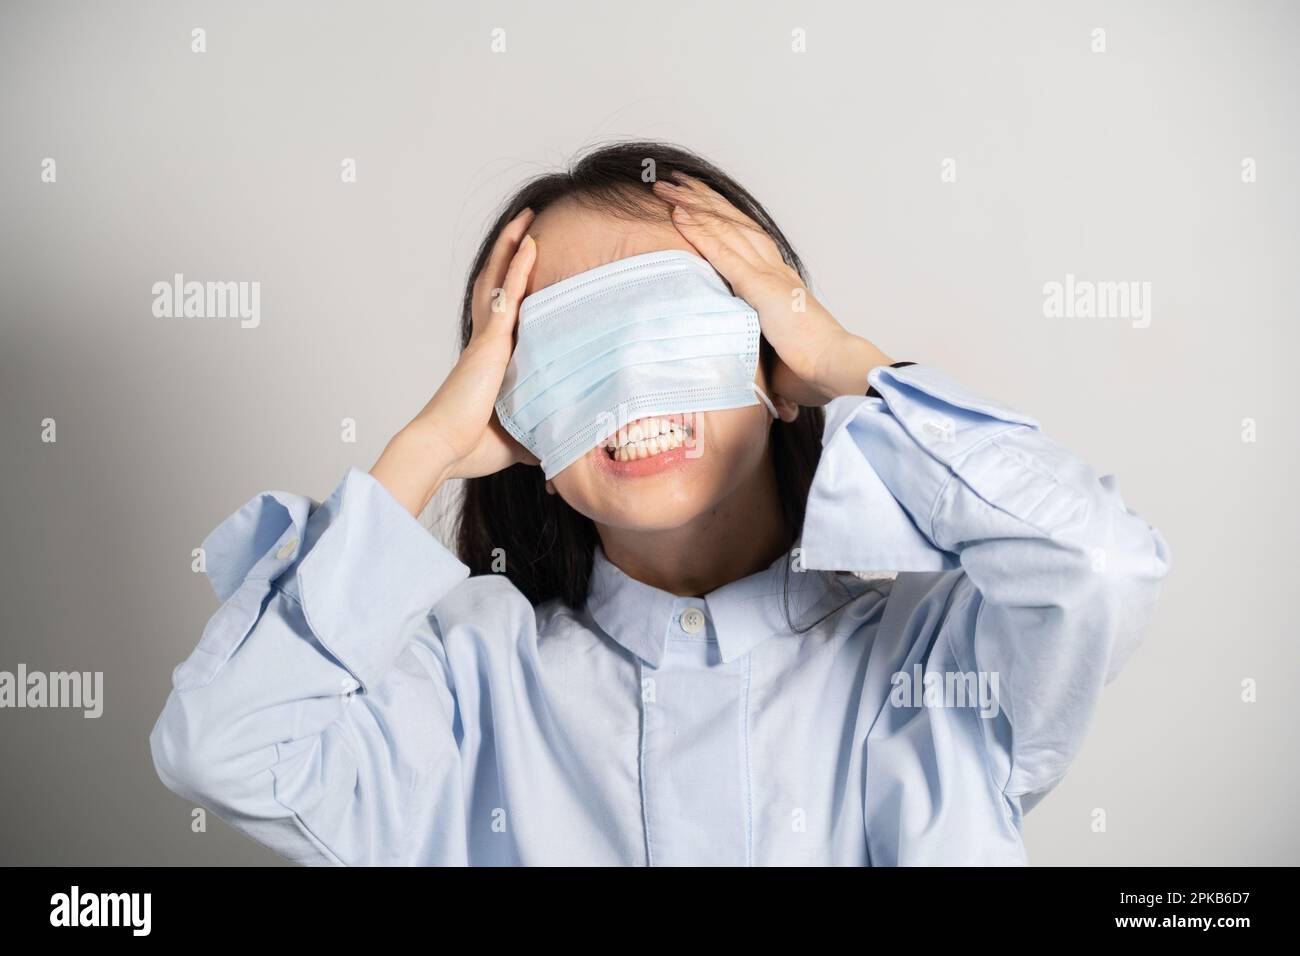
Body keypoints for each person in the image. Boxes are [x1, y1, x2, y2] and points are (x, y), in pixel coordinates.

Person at [149, 142, 1170, 865]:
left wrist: (846, 361)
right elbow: (222, 744)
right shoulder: (463, 686)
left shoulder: (933, 665)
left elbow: (1096, 566)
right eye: (556, 351)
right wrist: (422, 451)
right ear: (514, 423)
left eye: (672, 321)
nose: (629, 383)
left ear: (773, 362)